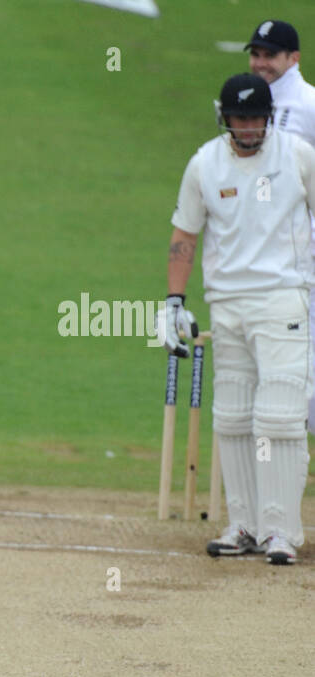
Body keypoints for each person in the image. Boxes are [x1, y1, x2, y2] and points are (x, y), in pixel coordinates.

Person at [164, 74, 315, 564]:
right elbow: (185, 232)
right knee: (231, 418)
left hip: (282, 300)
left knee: (279, 418)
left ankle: (282, 532)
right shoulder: (205, 164)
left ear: (269, 117)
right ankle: (244, 524)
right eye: (238, 118)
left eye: (255, 118)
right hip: (226, 304)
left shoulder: (297, 155)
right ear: (223, 117)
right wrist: (173, 302)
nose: (247, 128)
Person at [245, 19, 315, 429]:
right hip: (266, 257)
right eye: (256, 54)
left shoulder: (305, 105)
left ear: (294, 58)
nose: (261, 63)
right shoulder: (250, 102)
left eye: (270, 55)